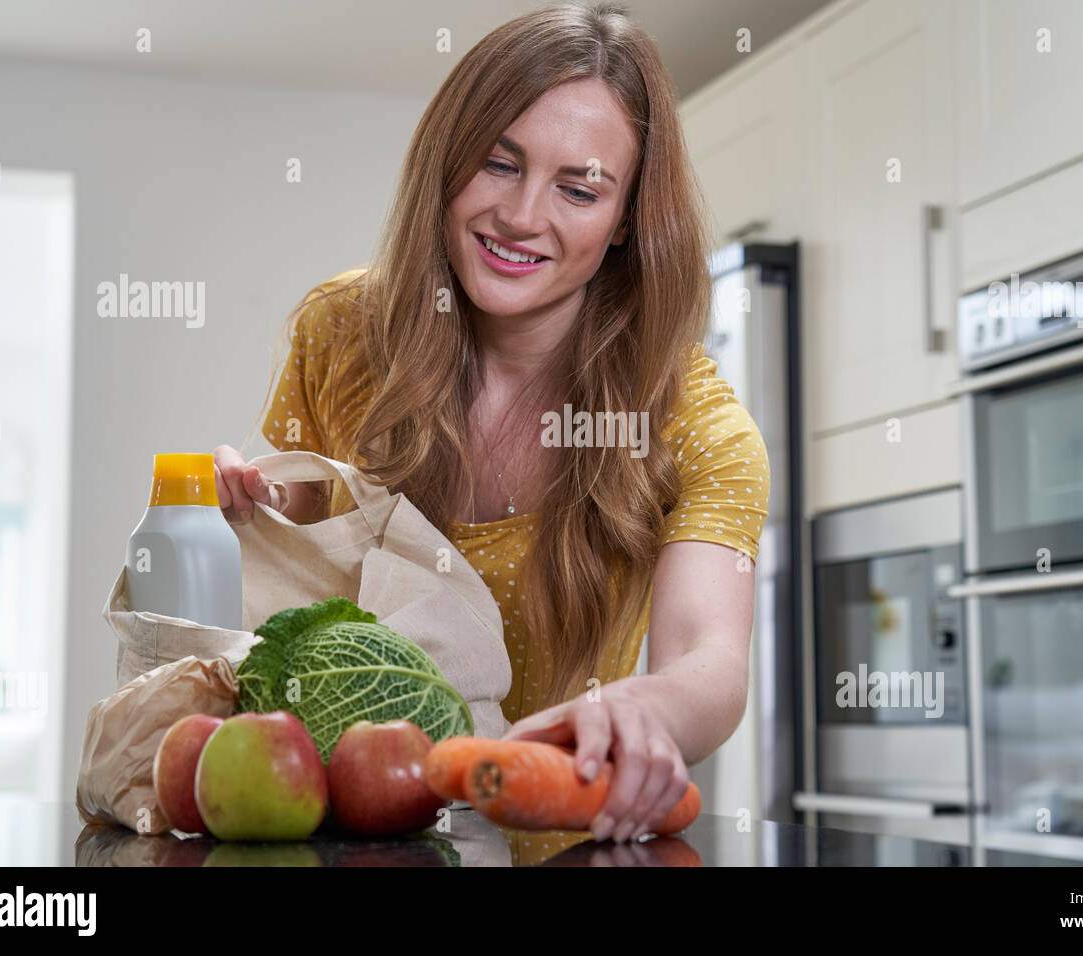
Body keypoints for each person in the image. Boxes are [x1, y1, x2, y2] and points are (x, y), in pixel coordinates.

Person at [214, 2, 770, 858]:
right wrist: (262, 513)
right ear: (447, 159)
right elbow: (295, 601)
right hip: (349, 843)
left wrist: (643, 709)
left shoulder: (694, 423)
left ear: (624, 220)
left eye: (578, 188)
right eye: (498, 164)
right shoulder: (339, 335)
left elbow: (710, 658)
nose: (520, 215)